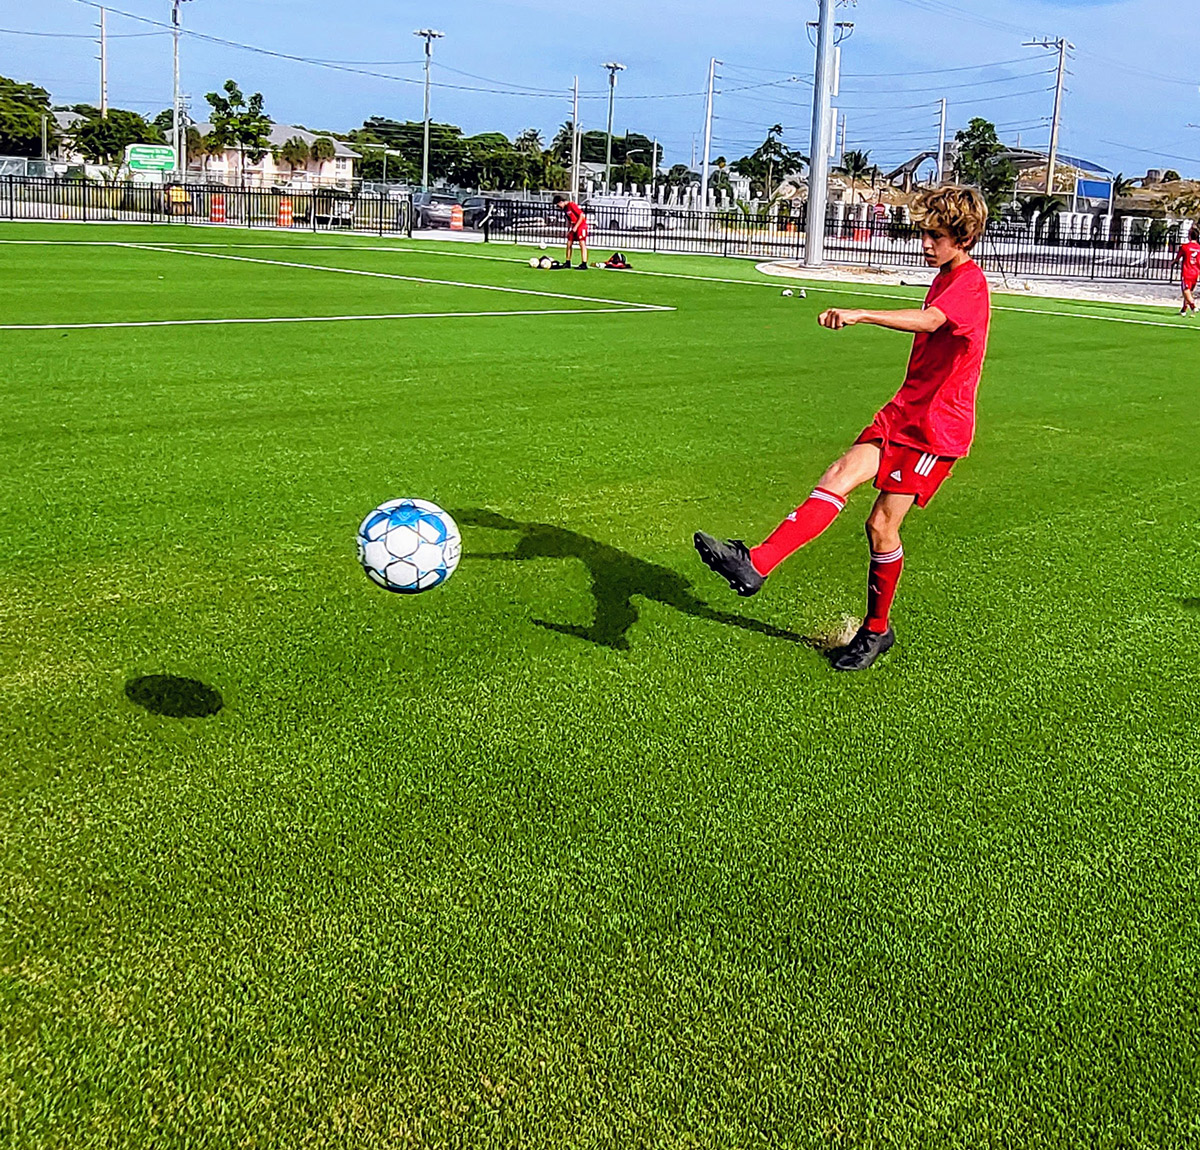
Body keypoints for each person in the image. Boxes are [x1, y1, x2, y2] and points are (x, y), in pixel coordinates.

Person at [694, 185, 992, 672]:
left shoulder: (969, 284)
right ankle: (755, 565)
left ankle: (877, 631)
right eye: (922, 232)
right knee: (838, 474)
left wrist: (862, 313)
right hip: (904, 412)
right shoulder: (944, 274)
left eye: (934, 235)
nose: (924, 243)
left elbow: (932, 321)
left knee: (880, 526)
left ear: (961, 235)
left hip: (937, 428)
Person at [553, 194, 589, 269]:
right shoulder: (565, 209)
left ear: (561, 202)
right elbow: (570, 219)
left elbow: (582, 216)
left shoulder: (571, 205)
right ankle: (568, 262)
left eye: (558, 205)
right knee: (569, 243)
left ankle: (584, 263)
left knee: (582, 243)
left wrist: (576, 227)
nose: (559, 207)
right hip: (573, 227)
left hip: (581, 226)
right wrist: (570, 229)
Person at [1172, 225, 1200, 316]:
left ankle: (1193, 306)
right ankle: (1184, 309)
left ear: (1189, 235)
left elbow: (1178, 258)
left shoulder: (1184, 247)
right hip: (1196, 272)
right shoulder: (1199, 248)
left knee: (1185, 290)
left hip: (1187, 271)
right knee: (1189, 291)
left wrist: (1174, 262)